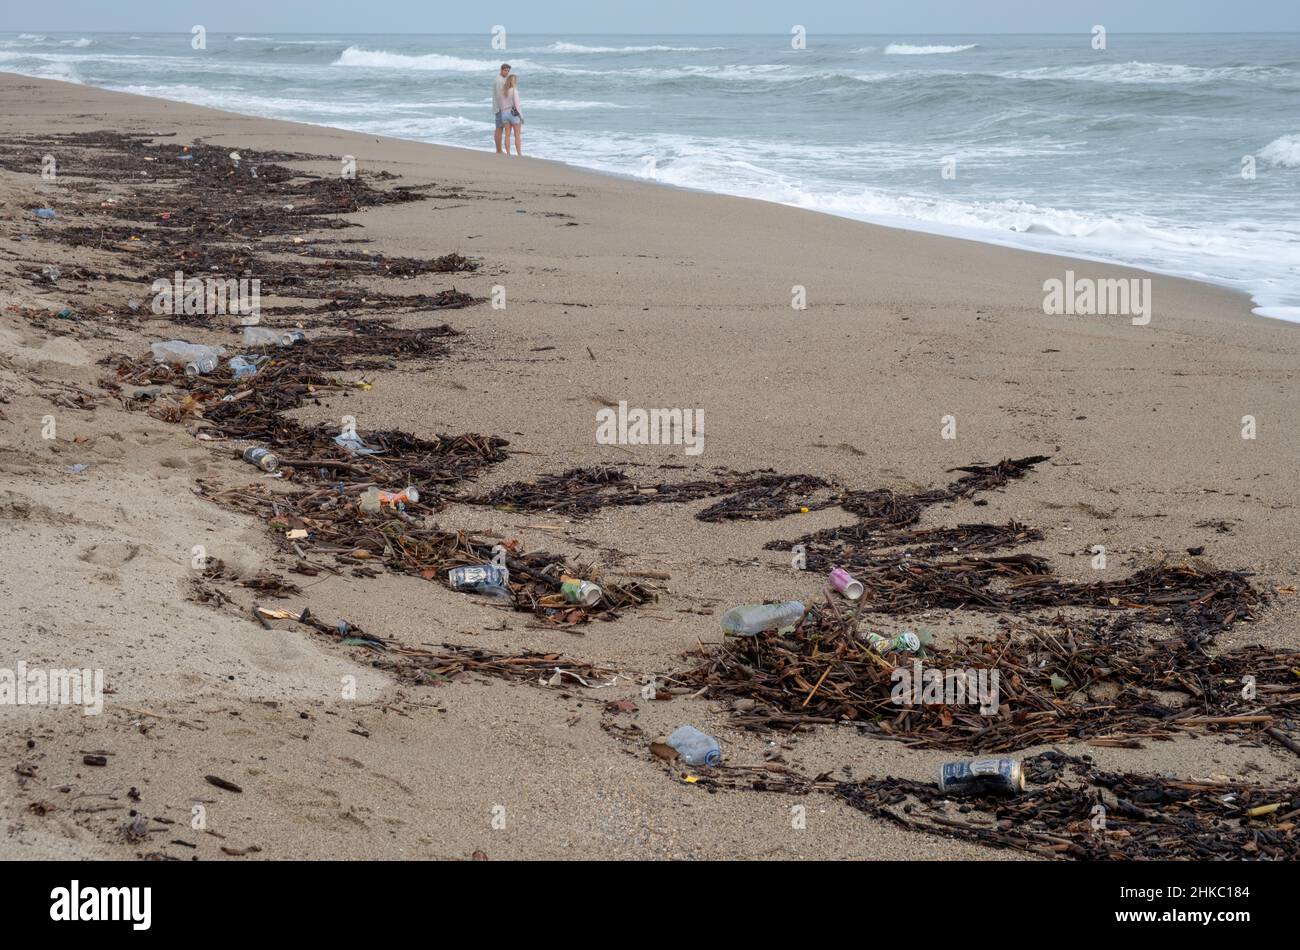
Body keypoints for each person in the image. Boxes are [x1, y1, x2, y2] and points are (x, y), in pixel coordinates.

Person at [501, 74, 524, 155]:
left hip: (504, 114)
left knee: (507, 135)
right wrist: (521, 116)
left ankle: (508, 153)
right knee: (517, 135)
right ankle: (519, 154)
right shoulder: (514, 91)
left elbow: (501, 104)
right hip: (513, 114)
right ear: (514, 81)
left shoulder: (504, 91)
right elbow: (517, 105)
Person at [492, 63, 511, 154]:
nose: (506, 72)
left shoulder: (502, 79)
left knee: (500, 128)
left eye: (508, 71)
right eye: (505, 70)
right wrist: (504, 108)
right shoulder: (499, 80)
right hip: (500, 108)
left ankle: (499, 150)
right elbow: (500, 96)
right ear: (501, 70)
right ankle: (499, 150)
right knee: (499, 128)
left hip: (500, 107)